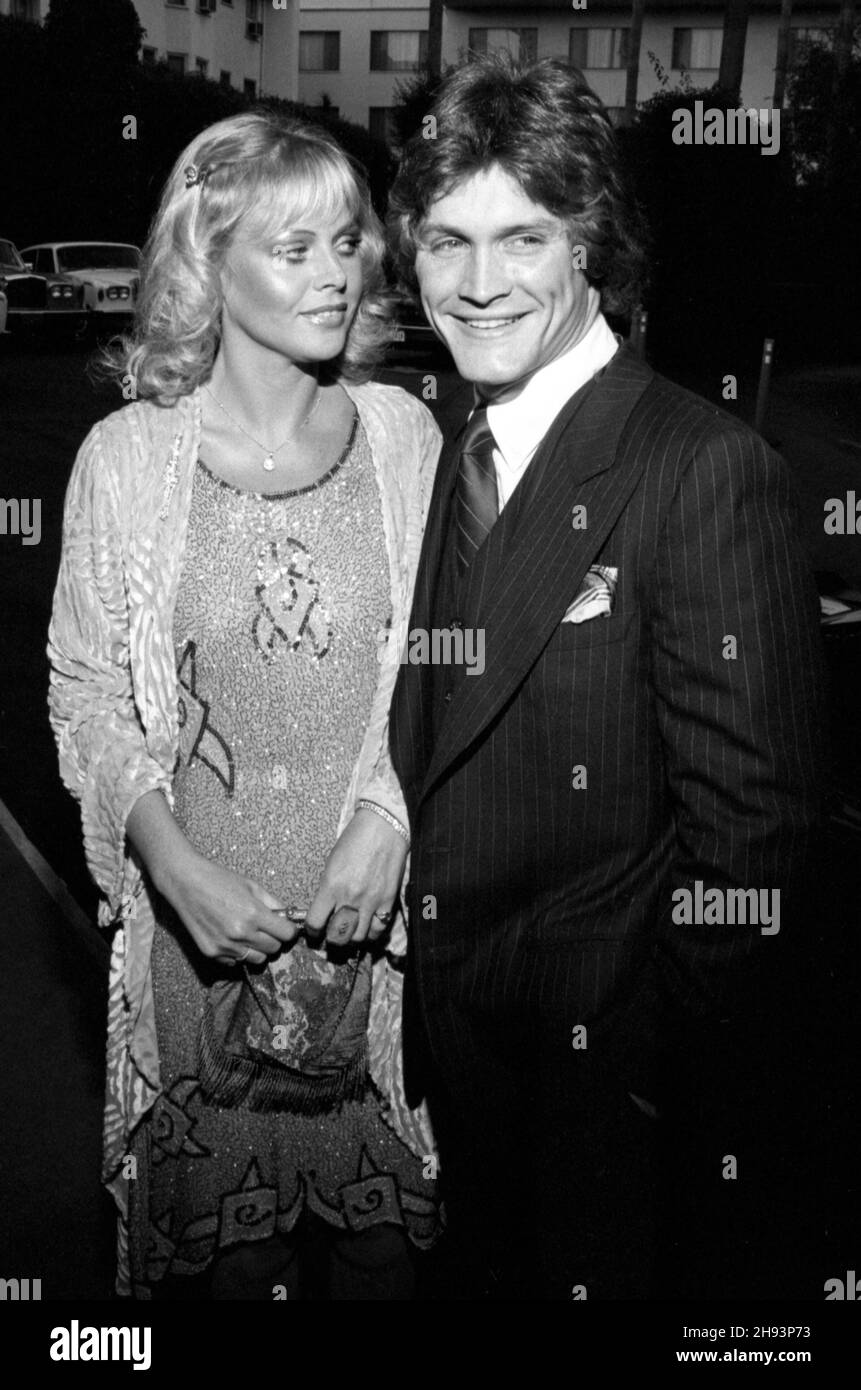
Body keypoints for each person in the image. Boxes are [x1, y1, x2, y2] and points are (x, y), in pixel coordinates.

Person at [387, 55, 827, 1299]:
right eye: (445, 240)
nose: (477, 285)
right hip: (459, 1071)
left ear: (590, 244)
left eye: (522, 237)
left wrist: (641, 1068)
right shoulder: (451, 442)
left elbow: (755, 843)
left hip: (600, 1110)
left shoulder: (700, 467)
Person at [48, 111, 442, 1300]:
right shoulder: (125, 457)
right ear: (207, 262)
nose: (338, 271)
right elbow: (88, 695)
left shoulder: (403, 435)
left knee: (387, 1256)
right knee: (231, 1266)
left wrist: (392, 815)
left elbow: (442, 666)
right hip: (197, 958)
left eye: (347, 240)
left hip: (378, 958)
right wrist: (172, 868)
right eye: (294, 247)